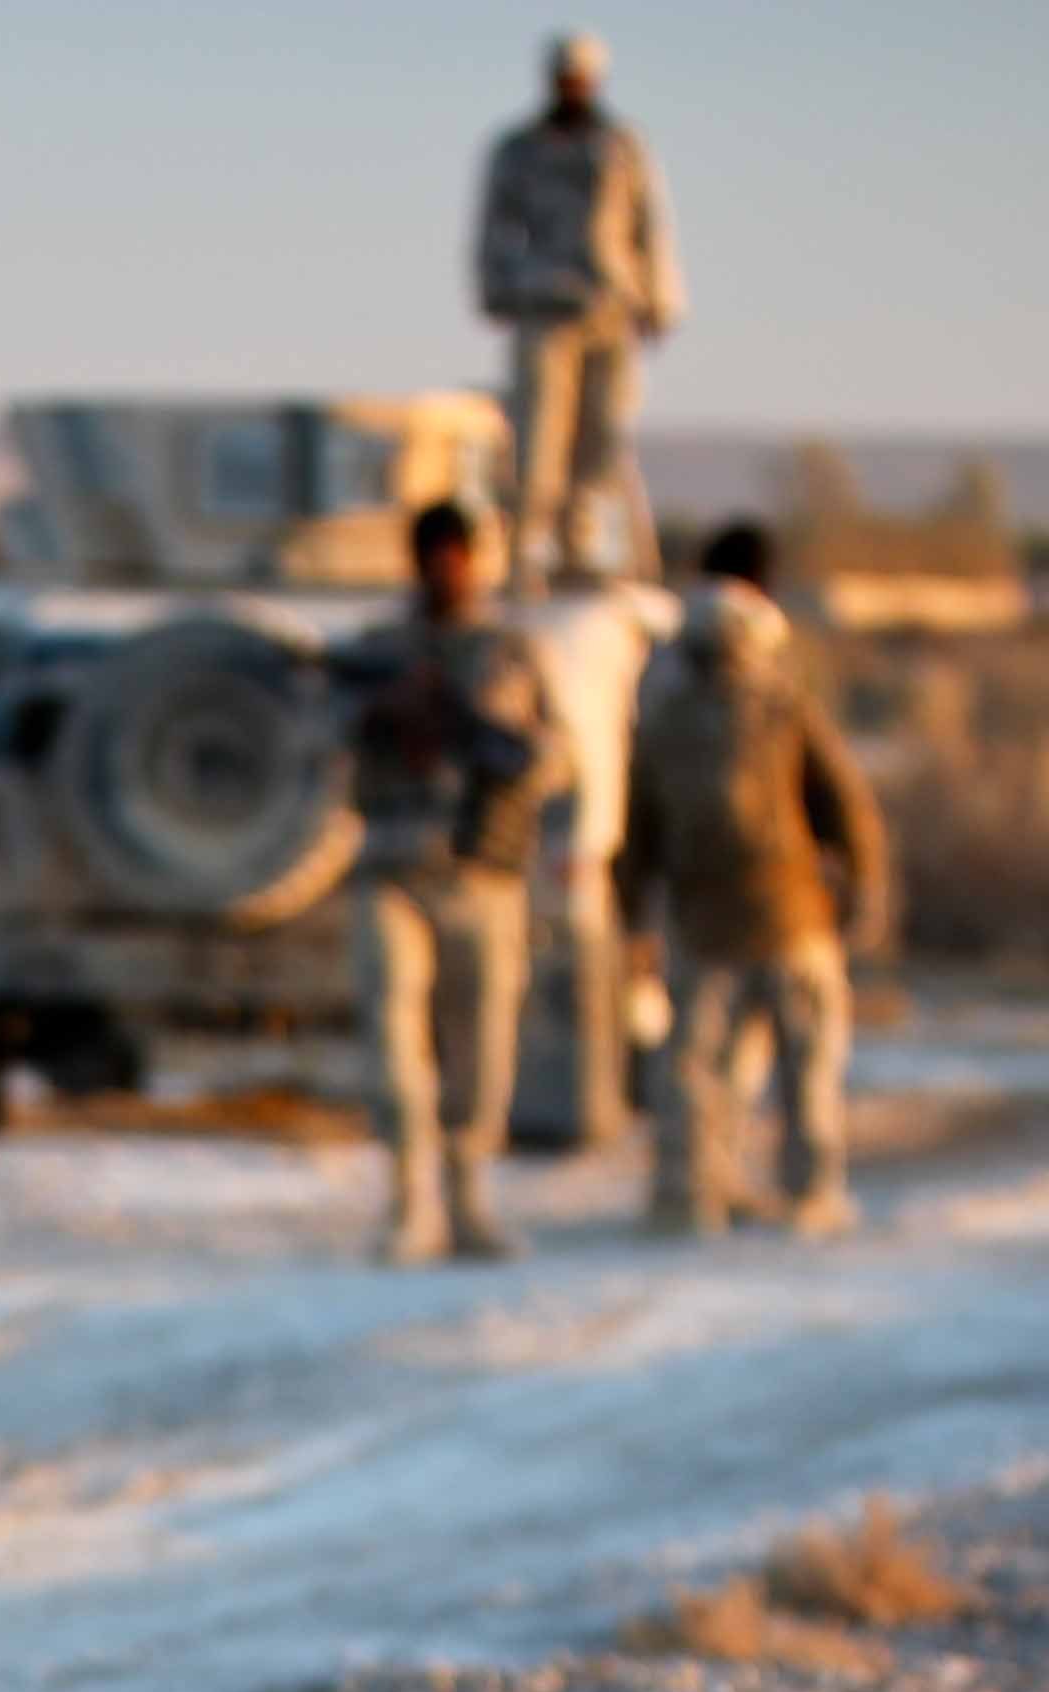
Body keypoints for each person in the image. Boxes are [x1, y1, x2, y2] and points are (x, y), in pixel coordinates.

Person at [618, 521, 896, 1236]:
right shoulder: (770, 701)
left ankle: (702, 1197)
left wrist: (631, 921)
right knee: (782, 1072)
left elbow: (637, 825)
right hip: (767, 920)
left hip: (728, 923)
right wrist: (862, 891)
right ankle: (789, 1196)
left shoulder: (679, 706)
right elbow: (843, 804)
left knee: (708, 1073)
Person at [328, 501, 572, 1265]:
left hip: (479, 870)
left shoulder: (506, 653)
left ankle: (467, 1198)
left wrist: (473, 728)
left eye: (455, 556)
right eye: (432, 555)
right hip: (391, 863)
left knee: (481, 1042)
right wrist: (380, 714)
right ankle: (409, 1200)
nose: (445, 571)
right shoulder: (375, 651)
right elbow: (317, 736)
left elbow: (555, 758)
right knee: (391, 1032)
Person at [474, 30, 682, 588]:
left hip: (610, 307)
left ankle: (578, 550)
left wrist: (659, 297)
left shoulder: (621, 147)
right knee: (538, 438)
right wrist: (498, 287)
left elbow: (649, 222)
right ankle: (525, 555)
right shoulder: (520, 150)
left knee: (603, 438)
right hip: (544, 306)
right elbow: (494, 225)